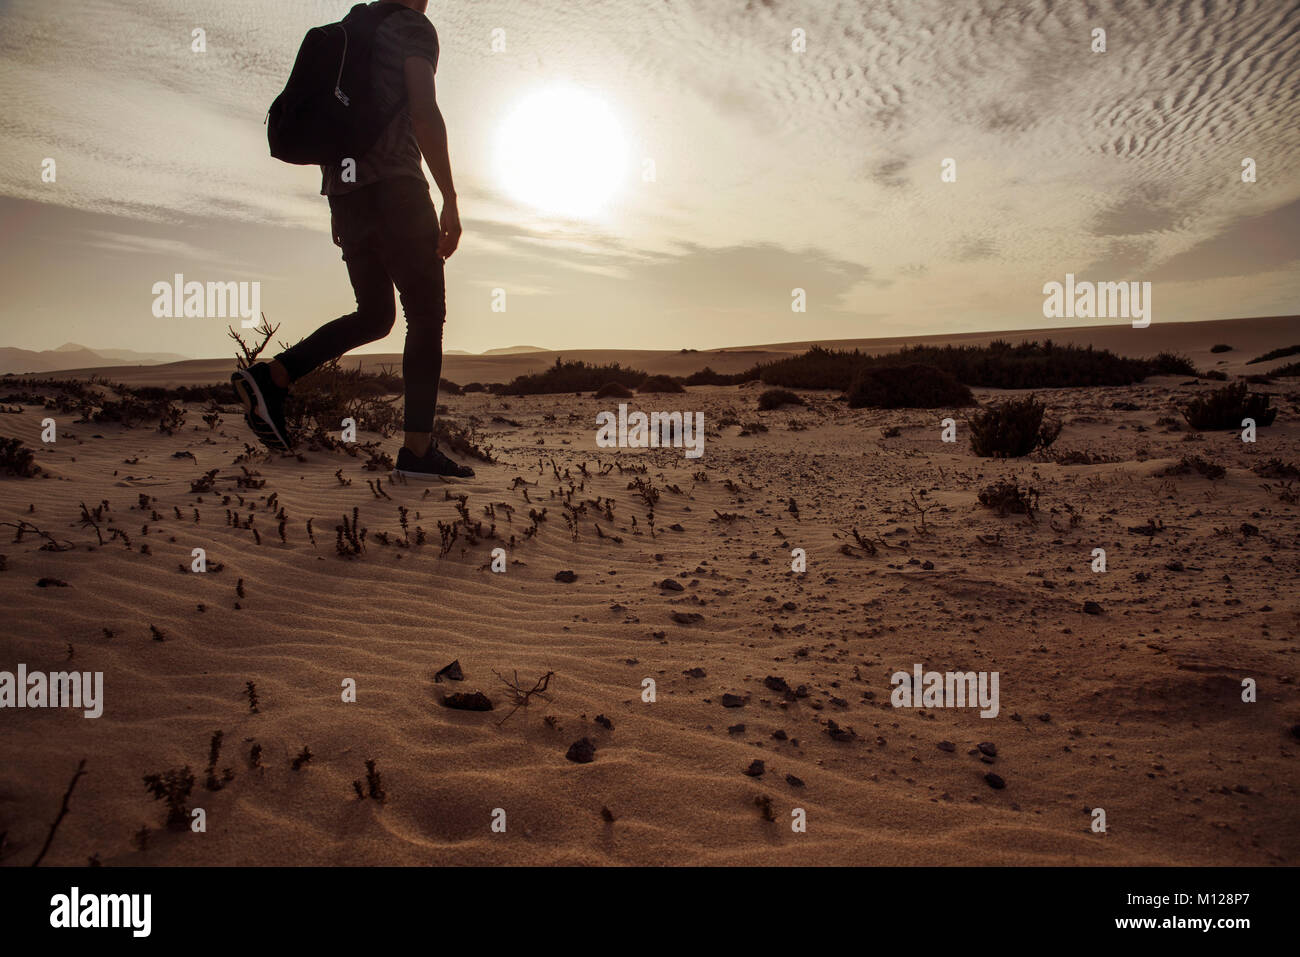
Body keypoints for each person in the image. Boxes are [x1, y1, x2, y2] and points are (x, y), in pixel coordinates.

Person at [232, 0, 473, 478]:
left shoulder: (352, 26)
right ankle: (418, 452)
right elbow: (424, 110)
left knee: (376, 314)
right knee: (425, 316)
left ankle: (273, 376)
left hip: (348, 198)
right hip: (398, 189)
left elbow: (335, 122)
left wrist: (337, 200)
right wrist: (449, 196)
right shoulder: (413, 27)